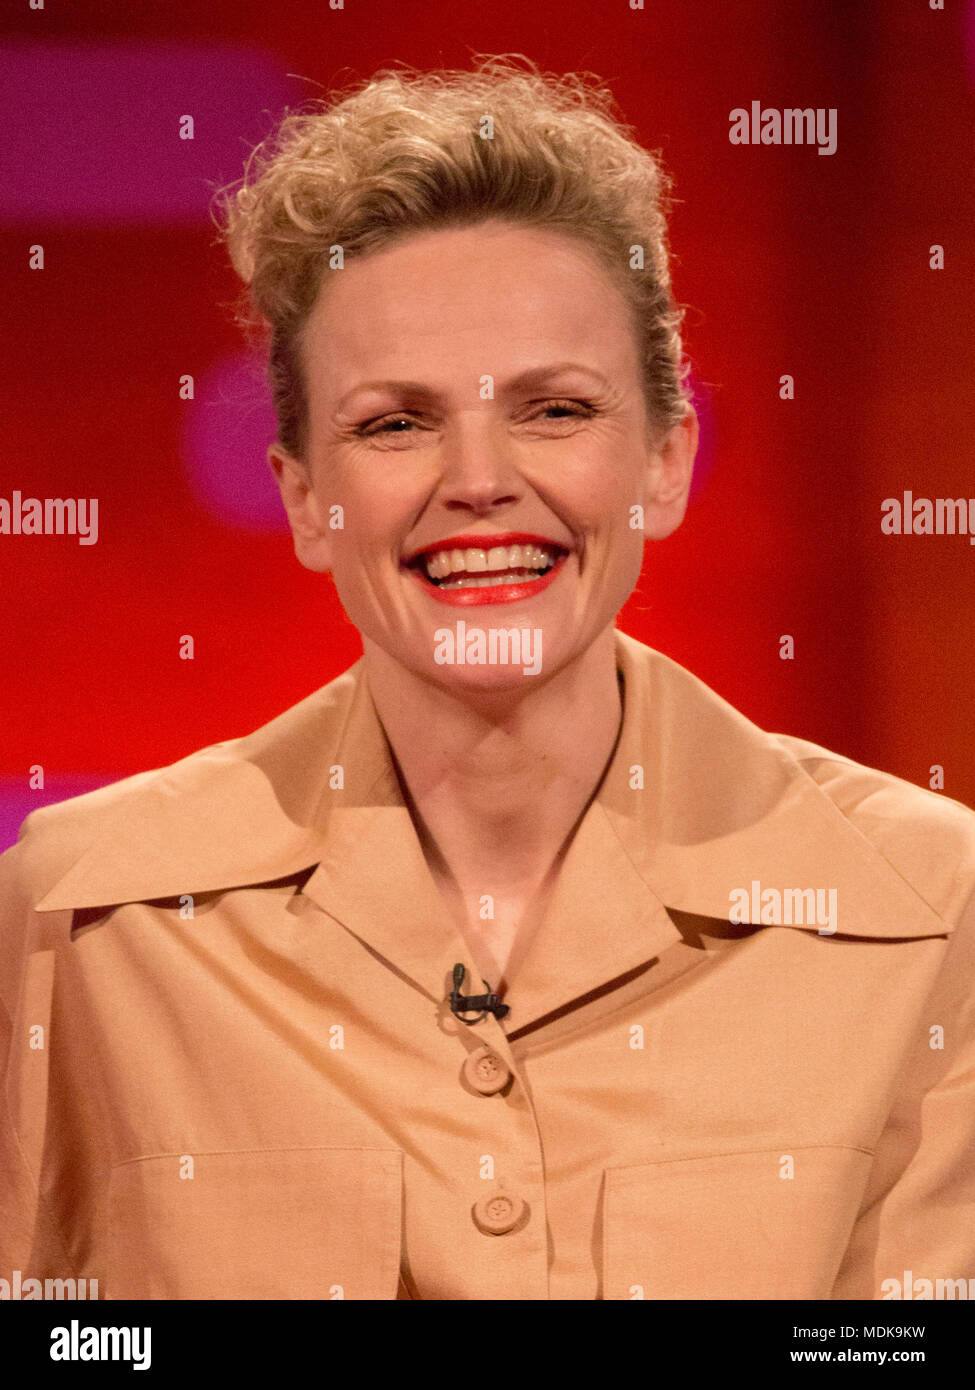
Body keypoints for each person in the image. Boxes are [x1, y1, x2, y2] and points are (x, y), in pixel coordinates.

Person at [2, 56, 974, 1302]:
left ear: (666, 461)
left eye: (554, 410)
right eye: (394, 423)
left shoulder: (923, 906)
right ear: (305, 497)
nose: (478, 480)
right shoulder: (88, 921)